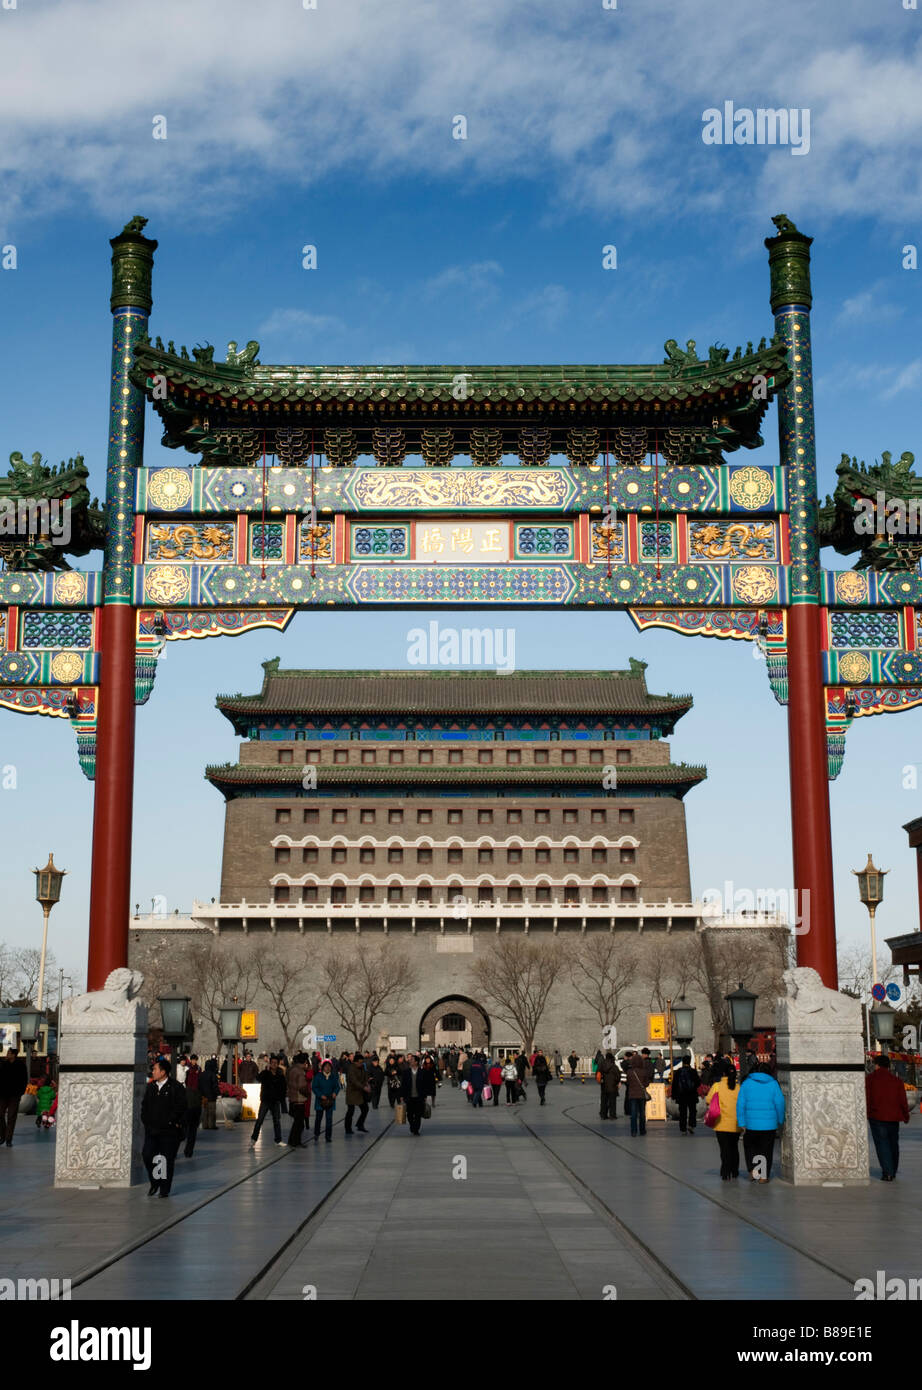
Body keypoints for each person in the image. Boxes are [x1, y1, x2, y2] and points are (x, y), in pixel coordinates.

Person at [141, 1058, 187, 1198]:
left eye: (155, 1069)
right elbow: (144, 1107)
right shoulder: (151, 1087)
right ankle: (155, 1181)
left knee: (166, 1160)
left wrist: (171, 1121)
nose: (153, 1072)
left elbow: (181, 1107)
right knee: (148, 1155)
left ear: (163, 1072)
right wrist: (147, 1121)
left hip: (169, 1131)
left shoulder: (176, 1087)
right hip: (152, 1130)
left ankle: (164, 1189)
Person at [736, 1062, 785, 1181]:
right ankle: (763, 1176)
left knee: (751, 1148)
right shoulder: (773, 1084)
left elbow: (740, 1104)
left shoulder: (746, 1083)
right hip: (769, 1125)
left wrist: (741, 1122)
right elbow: (780, 1103)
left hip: (751, 1124)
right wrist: (780, 1119)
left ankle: (753, 1170)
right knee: (765, 1150)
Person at [865, 1054, 910, 1181]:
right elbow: (903, 1100)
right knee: (893, 1144)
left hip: (877, 1116)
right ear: (888, 1066)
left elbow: (867, 1098)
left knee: (882, 1144)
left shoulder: (870, 1079)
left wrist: (867, 1113)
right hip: (894, 1117)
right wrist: (905, 1115)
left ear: (877, 1065)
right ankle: (892, 1170)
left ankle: (888, 1172)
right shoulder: (896, 1081)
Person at [706, 1060, 742, 1179]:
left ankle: (725, 1171)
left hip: (721, 1123)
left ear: (723, 1074)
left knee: (724, 1149)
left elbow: (708, 1100)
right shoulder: (738, 1087)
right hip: (736, 1123)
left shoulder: (717, 1086)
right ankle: (735, 1170)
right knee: (734, 1147)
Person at [250, 1054, 287, 1146]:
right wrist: (264, 1071)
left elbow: (283, 1089)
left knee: (277, 1121)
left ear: (278, 1064)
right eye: (272, 1063)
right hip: (266, 1100)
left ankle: (278, 1140)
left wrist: (282, 1102)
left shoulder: (280, 1075)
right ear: (270, 1064)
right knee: (260, 1120)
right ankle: (253, 1139)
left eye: (275, 1063)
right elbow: (258, 1078)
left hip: (275, 1101)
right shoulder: (265, 1073)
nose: (274, 1064)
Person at [400, 1053, 437, 1135]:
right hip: (409, 1097)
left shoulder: (422, 1072)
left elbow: (425, 1085)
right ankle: (412, 1125)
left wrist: (425, 1095)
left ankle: (416, 1129)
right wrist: (402, 1096)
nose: (410, 1061)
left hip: (419, 1097)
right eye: (410, 1060)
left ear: (416, 1062)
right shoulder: (406, 1072)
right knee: (409, 1114)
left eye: (412, 1060)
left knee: (418, 1114)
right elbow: (403, 1085)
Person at [0, 1047, 28, 1147]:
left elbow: (24, 1079)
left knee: (11, 1116)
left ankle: (8, 1139)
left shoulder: (21, 1065)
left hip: (14, 1096)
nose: (7, 1054)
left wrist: (21, 1092)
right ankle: (2, 1136)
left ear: (13, 1055)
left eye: (9, 1053)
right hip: (2, 1094)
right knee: (0, 1114)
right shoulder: (3, 1064)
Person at [624, 1049, 654, 1136]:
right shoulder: (644, 1071)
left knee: (633, 1114)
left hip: (632, 1095)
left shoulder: (630, 1072)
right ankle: (642, 1130)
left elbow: (628, 1082)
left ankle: (633, 1131)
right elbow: (646, 1083)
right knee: (642, 1113)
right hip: (641, 1095)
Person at [286, 1052, 312, 1147]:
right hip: (299, 1099)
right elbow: (302, 1087)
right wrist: (308, 1093)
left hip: (292, 1098)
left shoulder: (291, 1070)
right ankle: (295, 1141)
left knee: (297, 1122)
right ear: (304, 1062)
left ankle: (292, 1140)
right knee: (299, 1123)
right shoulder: (300, 1072)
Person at [671, 1054, 701, 1135]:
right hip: (692, 1095)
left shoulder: (678, 1071)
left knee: (682, 1112)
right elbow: (698, 1083)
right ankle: (691, 1125)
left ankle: (683, 1129)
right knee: (692, 1111)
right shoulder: (693, 1071)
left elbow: (674, 1084)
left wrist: (673, 1095)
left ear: (683, 1062)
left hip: (681, 1095)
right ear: (689, 1061)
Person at [312, 1060, 340, 1141]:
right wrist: (320, 1095)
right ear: (323, 1067)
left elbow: (337, 1087)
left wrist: (335, 1093)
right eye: (326, 1066)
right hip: (320, 1101)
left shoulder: (333, 1076)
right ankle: (316, 1134)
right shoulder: (318, 1076)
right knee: (318, 1118)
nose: (327, 1068)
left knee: (329, 1119)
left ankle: (328, 1136)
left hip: (330, 1100)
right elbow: (314, 1087)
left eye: (329, 1066)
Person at [344, 1052, 370, 1135]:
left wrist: (367, 1083)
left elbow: (366, 1076)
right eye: (359, 1062)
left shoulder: (362, 1067)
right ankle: (348, 1128)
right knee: (350, 1111)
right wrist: (364, 1087)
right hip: (352, 1092)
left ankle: (360, 1124)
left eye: (362, 1062)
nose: (361, 1064)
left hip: (360, 1093)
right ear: (355, 1062)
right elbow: (354, 1081)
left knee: (365, 1109)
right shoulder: (351, 1068)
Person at [183, 1054, 203, 1157]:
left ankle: (189, 1150)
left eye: (195, 1060)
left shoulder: (199, 1071)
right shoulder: (188, 1071)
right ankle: (187, 1149)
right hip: (190, 1101)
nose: (194, 1061)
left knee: (192, 1129)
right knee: (189, 1128)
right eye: (193, 1060)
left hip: (194, 1101)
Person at [597, 1050, 620, 1120]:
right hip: (612, 1086)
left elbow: (598, 1074)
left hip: (604, 1086)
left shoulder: (601, 1065)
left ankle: (603, 1115)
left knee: (604, 1101)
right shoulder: (614, 1067)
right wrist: (617, 1082)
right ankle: (612, 1115)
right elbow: (618, 1076)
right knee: (612, 1102)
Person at [199, 1057, 220, 1129]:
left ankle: (205, 1125)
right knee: (212, 1112)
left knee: (205, 1111)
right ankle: (212, 1125)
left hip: (204, 1096)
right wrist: (218, 1093)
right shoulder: (213, 1074)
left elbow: (199, 1085)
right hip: (211, 1096)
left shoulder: (201, 1074)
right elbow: (215, 1085)